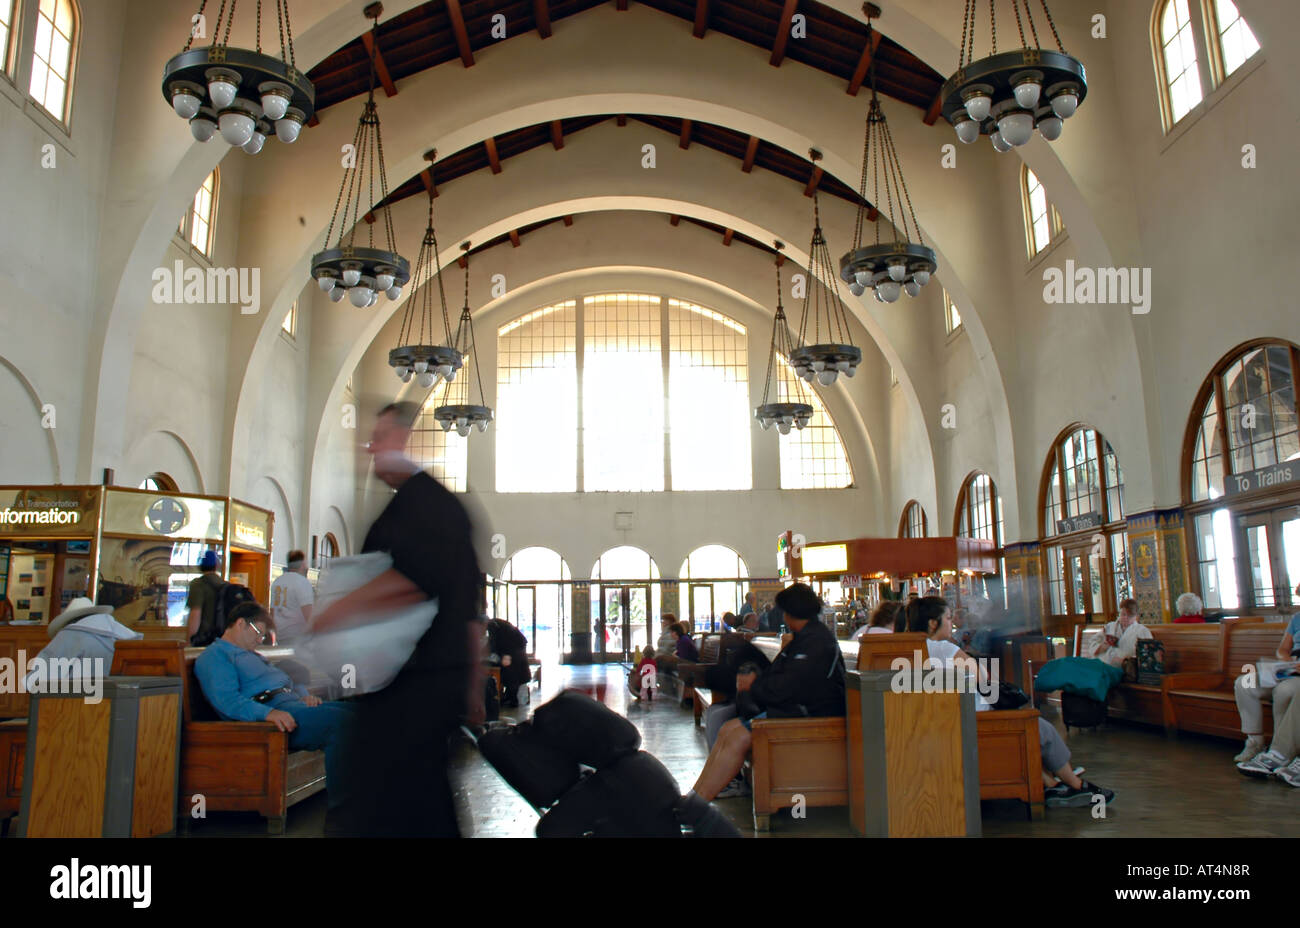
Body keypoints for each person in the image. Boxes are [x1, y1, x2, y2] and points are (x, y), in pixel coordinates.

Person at [311, 401, 484, 837]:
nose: (371, 449)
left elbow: (411, 582)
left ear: (405, 439)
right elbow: (469, 611)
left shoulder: (425, 505)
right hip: (412, 684)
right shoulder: (418, 504)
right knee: (413, 797)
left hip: (417, 685)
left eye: (380, 437)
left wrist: (334, 613)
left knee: (400, 796)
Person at [907, 596, 1114, 808]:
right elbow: (984, 678)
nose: (951, 623)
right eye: (948, 618)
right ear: (933, 623)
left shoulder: (904, 650)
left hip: (936, 724)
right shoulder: (943, 649)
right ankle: (1076, 784)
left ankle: (1051, 784)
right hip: (976, 722)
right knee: (1039, 727)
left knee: (1028, 732)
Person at [676, 583, 844, 834]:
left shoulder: (816, 642)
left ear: (789, 612)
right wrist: (755, 687)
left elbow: (787, 686)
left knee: (738, 736)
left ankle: (694, 808)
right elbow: (782, 679)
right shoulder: (805, 638)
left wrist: (752, 687)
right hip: (798, 710)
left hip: (810, 717)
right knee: (728, 729)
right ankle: (693, 799)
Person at [194, 602, 356, 810]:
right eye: (258, 633)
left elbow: (288, 681)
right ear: (240, 623)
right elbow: (227, 701)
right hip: (273, 718)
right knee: (343, 723)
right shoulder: (216, 656)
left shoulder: (254, 656)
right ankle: (344, 811)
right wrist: (268, 713)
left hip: (294, 706)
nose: (259, 640)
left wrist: (304, 696)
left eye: (262, 636)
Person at [1231, 593, 1300, 764]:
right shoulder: (1297, 619)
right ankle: (1255, 742)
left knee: (1284, 691)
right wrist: (1288, 661)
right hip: (1290, 667)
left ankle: (1279, 750)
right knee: (1244, 683)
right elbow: (1283, 649)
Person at [22, 597, 141, 690]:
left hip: (75, 705)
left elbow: (35, 680)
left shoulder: (70, 634)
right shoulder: (125, 634)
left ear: (71, 621)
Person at [1085, 598, 1152, 669]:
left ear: (1136, 617)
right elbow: (1092, 642)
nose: (1125, 618)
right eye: (1123, 614)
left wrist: (1126, 661)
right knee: (1075, 663)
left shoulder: (1142, 631)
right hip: (1102, 664)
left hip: (1124, 668)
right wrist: (1102, 647)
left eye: (1130, 616)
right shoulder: (1110, 627)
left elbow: (1148, 654)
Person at [269, 549, 315, 645]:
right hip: (298, 637)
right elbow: (308, 614)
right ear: (302, 564)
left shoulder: (277, 582)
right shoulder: (302, 582)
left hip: (280, 636)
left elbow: (272, 612)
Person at [486, 617, 530, 708]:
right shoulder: (498, 624)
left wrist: (494, 653)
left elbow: (494, 642)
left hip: (512, 653)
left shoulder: (493, 626)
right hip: (514, 651)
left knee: (512, 676)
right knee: (514, 676)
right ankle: (510, 698)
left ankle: (512, 700)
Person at [185, 549, 224, 643]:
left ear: (200, 565)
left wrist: (190, 640)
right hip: (222, 638)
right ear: (216, 566)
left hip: (204, 639)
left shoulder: (198, 584)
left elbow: (195, 614)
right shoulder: (224, 585)